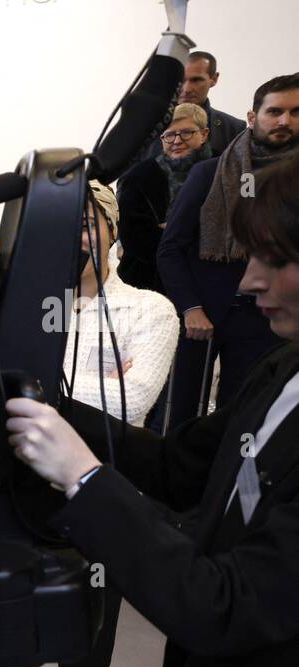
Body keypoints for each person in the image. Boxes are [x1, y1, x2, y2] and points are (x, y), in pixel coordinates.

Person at [3, 152, 299, 667]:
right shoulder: (280, 374)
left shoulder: (151, 314)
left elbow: (218, 604)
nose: (246, 282)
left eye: (274, 259)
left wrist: (83, 476)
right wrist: (46, 406)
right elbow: (174, 466)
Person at [0, 184, 178, 667]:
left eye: (91, 224)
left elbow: (128, 409)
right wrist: (77, 390)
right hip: (16, 494)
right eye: (65, 226)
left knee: (89, 635)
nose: (78, 238)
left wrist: (40, 394)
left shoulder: (150, 311)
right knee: (5, 614)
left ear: (112, 232)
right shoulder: (16, 311)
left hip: (97, 495)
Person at [155, 74, 299, 432]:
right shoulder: (210, 173)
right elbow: (170, 248)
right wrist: (190, 308)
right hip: (201, 316)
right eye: (275, 111)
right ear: (253, 117)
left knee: (243, 418)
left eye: (296, 112)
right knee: (177, 416)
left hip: (269, 325)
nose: (284, 121)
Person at [119, 103, 213, 295]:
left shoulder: (223, 170)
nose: (177, 141)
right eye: (169, 135)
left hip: (211, 280)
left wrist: (172, 228)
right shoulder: (139, 177)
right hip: (149, 282)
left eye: (186, 132)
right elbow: (134, 238)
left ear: (204, 134)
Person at [140, 51, 245, 160]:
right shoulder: (146, 125)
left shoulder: (233, 128)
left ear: (214, 79)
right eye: (181, 80)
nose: (187, 89)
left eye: (196, 80)